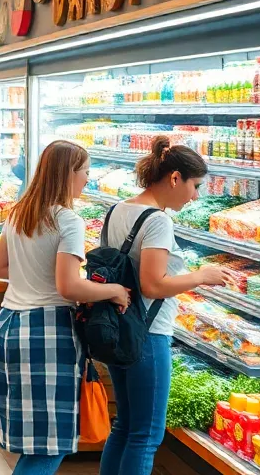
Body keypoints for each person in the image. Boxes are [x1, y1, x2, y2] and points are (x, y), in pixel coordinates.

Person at [0, 140, 130, 475]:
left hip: (9, 325)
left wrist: (35, 272)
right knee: (49, 446)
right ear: (67, 174)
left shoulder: (20, 211)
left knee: (35, 443)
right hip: (47, 334)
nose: (88, 179)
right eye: (85, 172)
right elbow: (69, 286)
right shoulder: (68, 221)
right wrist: (114, 290)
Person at [100, 137, 229, 475]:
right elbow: (153, 284)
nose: (195, 196)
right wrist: (201, 276)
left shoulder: (117, 210)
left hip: (119, 327)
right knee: (145, 436)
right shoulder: (158, 221)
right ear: (175, 178)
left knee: (125, 426)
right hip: (148, 335)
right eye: (195, 186)